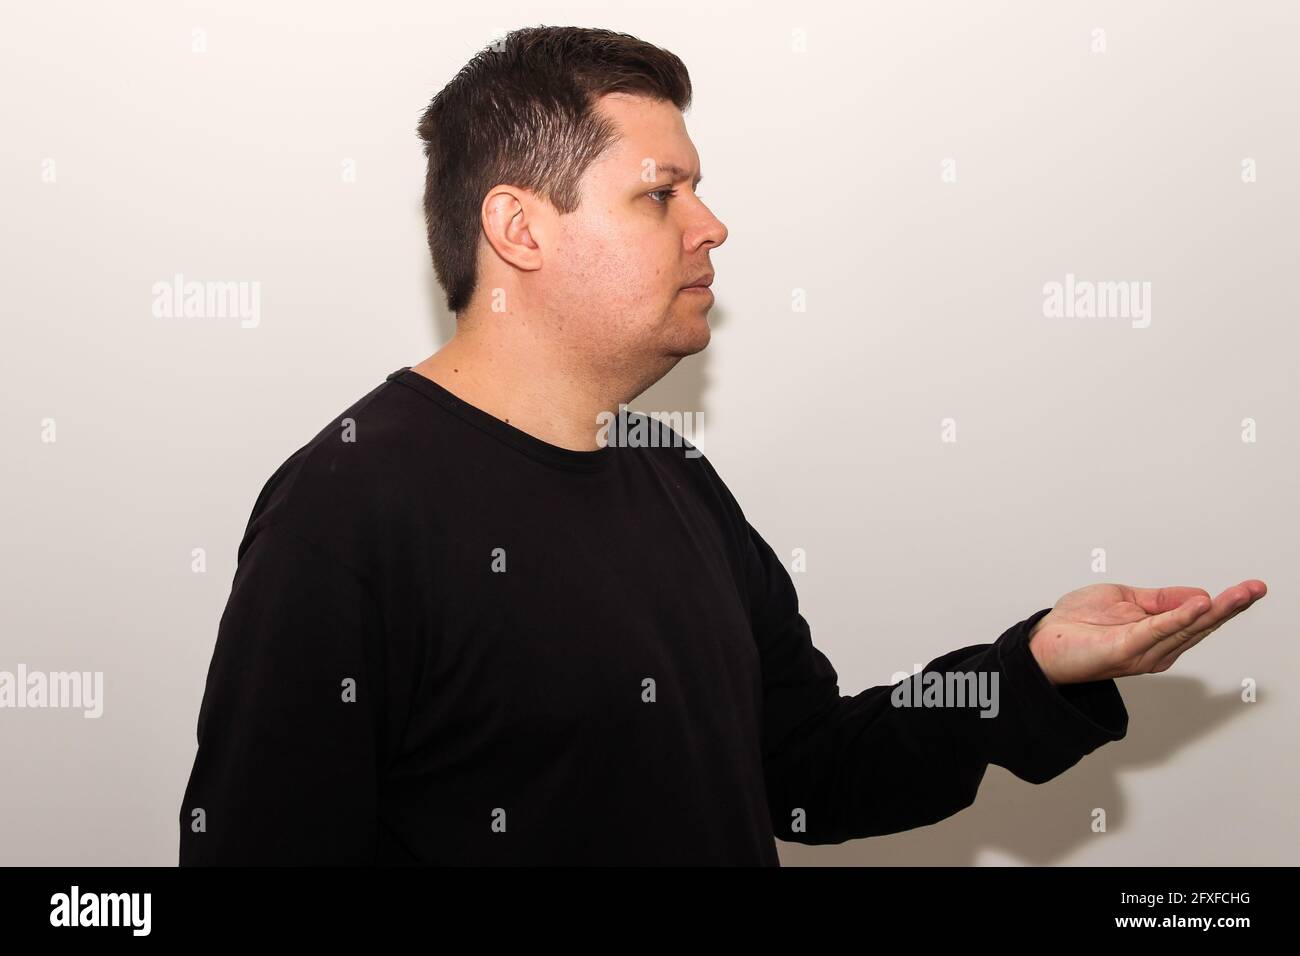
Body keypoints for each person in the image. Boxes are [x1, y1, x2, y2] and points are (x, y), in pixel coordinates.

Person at [178, 25, 1267, 865]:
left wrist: (1021, 671)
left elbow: (804, 770)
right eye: (662, 193)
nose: (711, 225)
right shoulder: (348, 509)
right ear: (520, 230)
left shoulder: (670, 471)